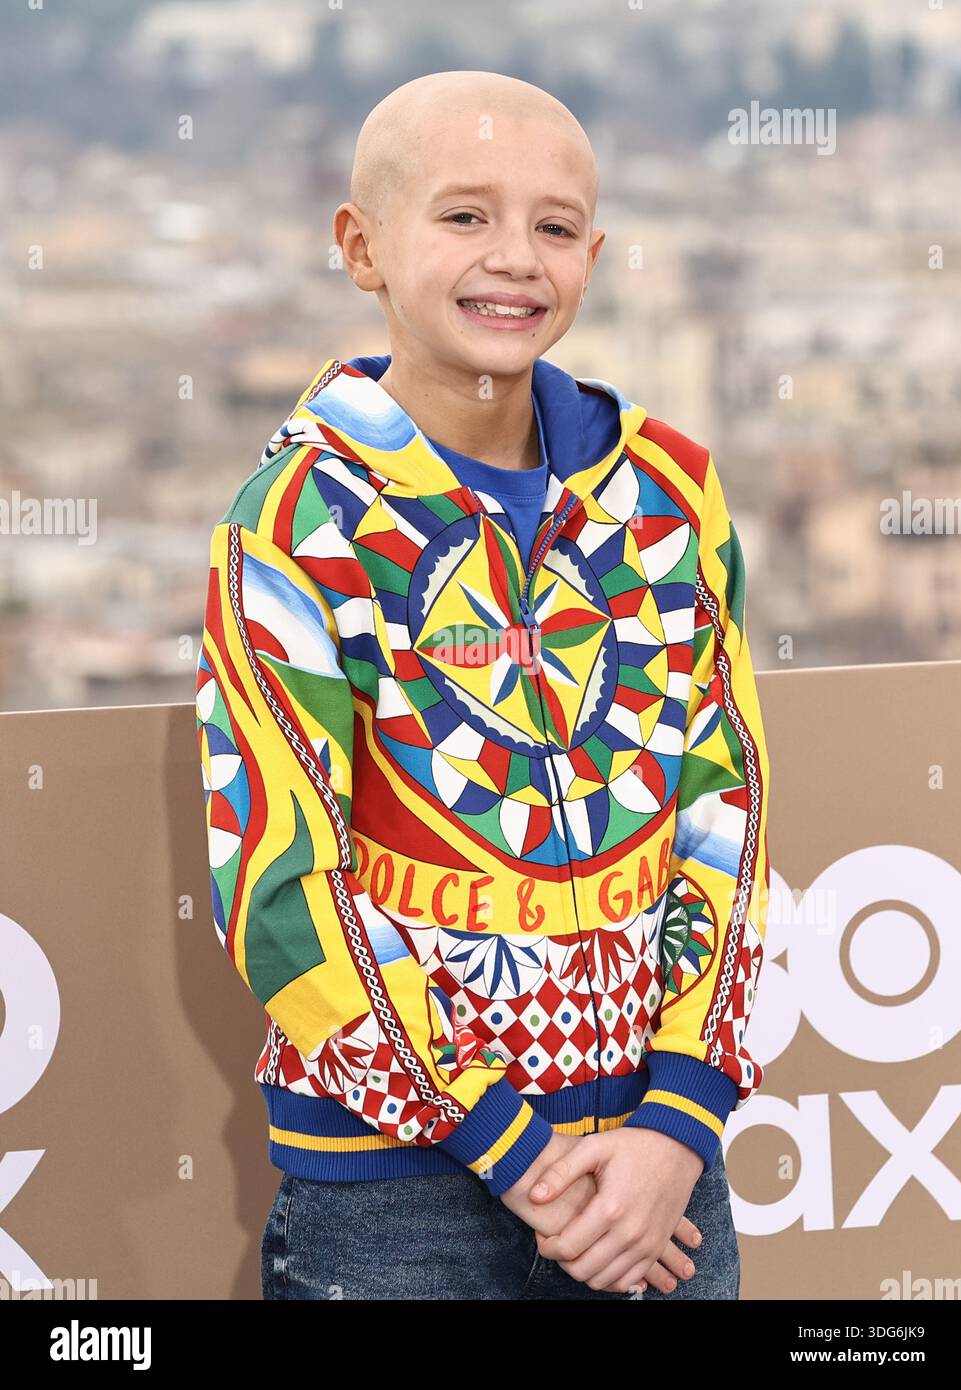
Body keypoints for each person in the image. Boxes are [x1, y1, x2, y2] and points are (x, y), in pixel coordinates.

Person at [195, 69, 772, 1301]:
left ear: (593, 256)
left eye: (554, 227)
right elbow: (281, 886)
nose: (514, 257)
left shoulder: (674, 496)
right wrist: (518, 1154)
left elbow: (729, 809)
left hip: (659, 1174)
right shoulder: (296, 524)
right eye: (463, 217)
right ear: (361, 246)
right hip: (398, 1198)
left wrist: (682, 1115)